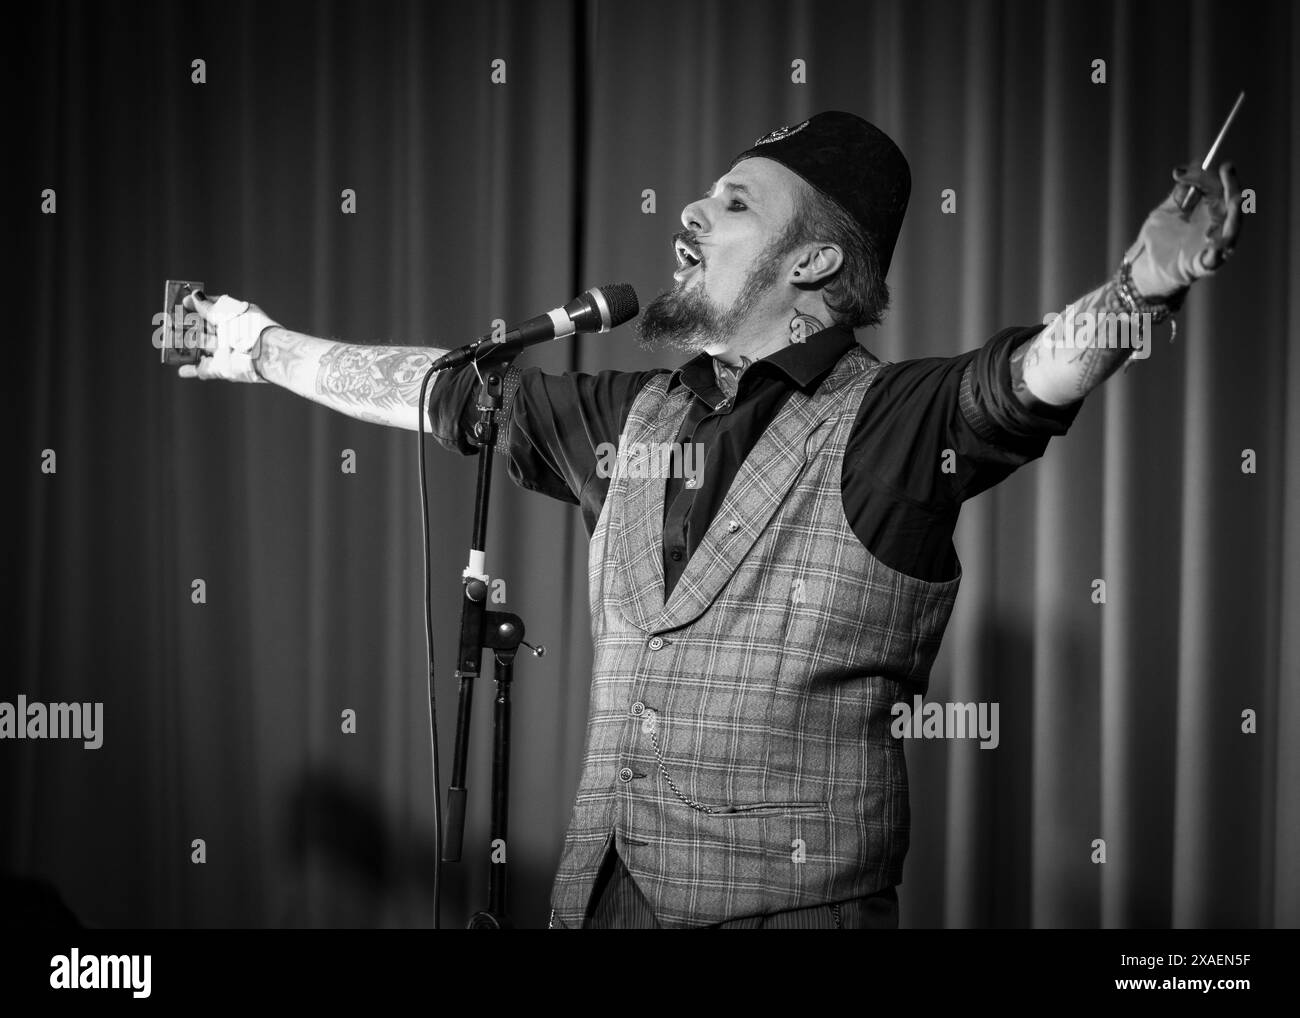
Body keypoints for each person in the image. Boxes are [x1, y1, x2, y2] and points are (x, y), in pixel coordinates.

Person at [180, 111, 1242, 928]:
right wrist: (252, 344)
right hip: (599, 898)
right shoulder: (630, 413)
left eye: (732, 204)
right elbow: (445, 391)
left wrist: (1139, 288)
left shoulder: (897, 424)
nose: (689, 214)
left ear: (813, 261)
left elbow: (1025, 380)